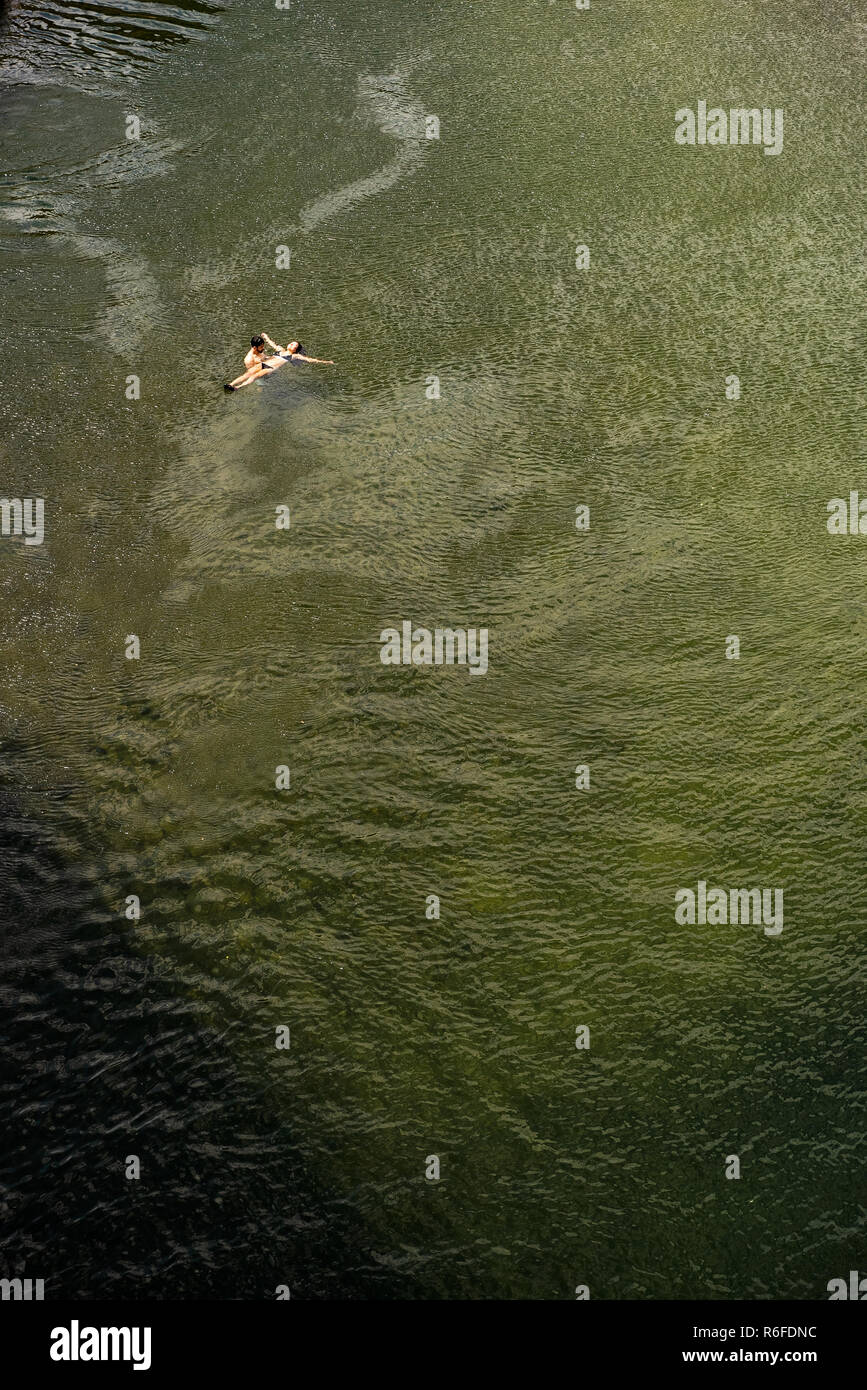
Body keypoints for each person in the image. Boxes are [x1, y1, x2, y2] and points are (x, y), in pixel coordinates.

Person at [224, 333, 334, 391]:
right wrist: (266, 337)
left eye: (295, 346)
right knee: (247, 373)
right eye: (291, 343)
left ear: (296, 349)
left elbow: (309, 359)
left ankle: (237, 388)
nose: (292, 345)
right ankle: (231, 384)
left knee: (255, 376)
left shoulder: (294, 356)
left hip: (270, 368)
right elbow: (272, 344)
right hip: (265, 363)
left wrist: (326, 362)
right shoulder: (281, 350)